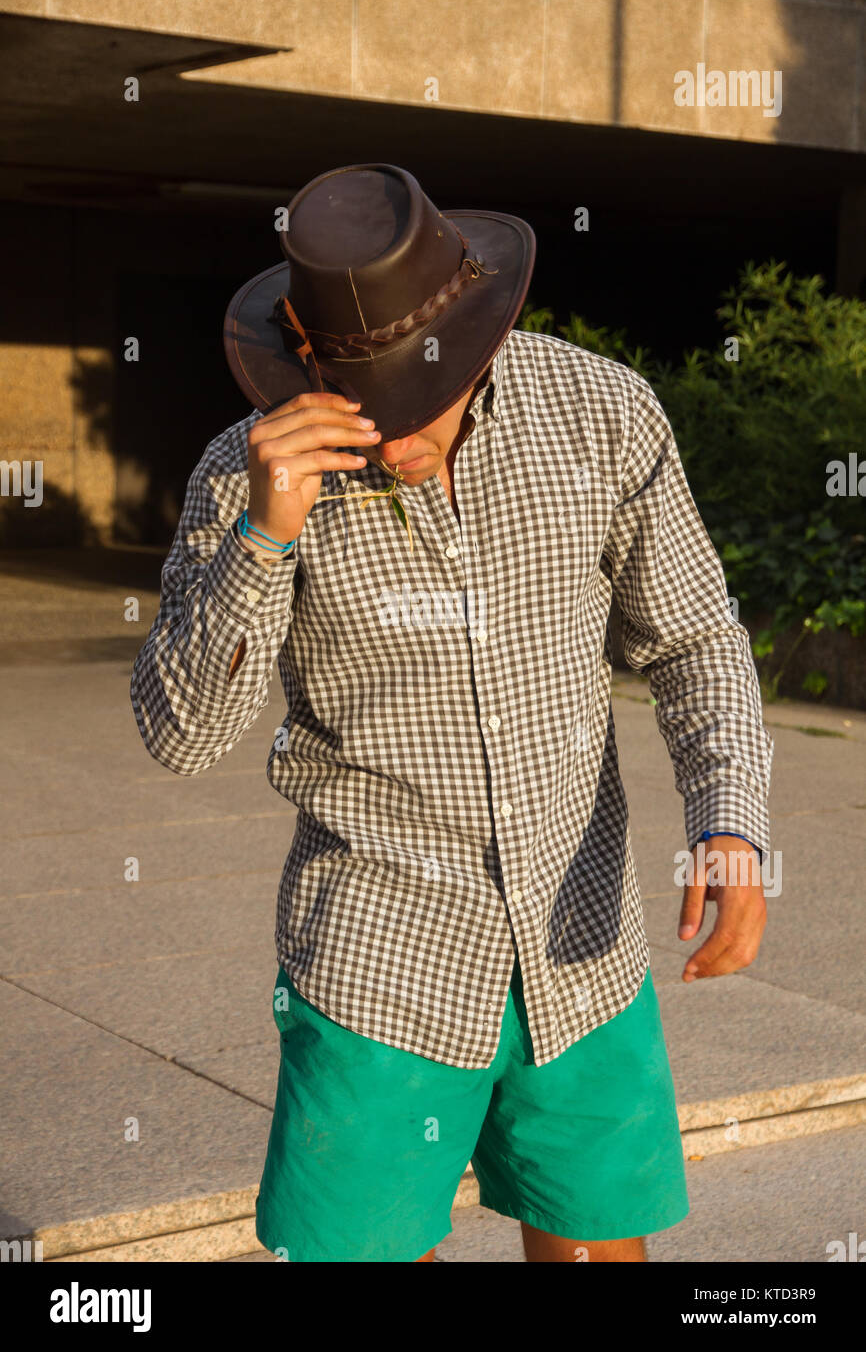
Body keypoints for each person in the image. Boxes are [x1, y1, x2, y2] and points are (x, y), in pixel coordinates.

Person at [130, 164, 773, 1263]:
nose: (386, 441)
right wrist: (264, 538)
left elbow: (692, 637)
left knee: (593, 1250)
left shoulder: (599, 414)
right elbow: (180, 735)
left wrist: (729, 823)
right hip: (379, 965)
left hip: (582, 954)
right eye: (355, 399)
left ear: (474, 342)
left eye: (409, 402)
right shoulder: (247, 473)